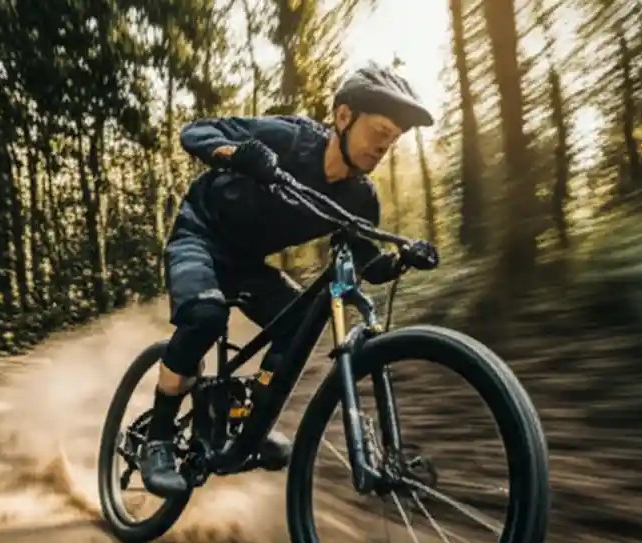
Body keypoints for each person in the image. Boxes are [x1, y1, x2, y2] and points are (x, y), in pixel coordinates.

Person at [138, 62, 439, 497]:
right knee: (205, 317)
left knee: (300, 325)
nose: (383, 147)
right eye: (379, 131)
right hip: (200, 233)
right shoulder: (290, 137)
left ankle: (246, 423)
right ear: (343, 117)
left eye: (392, 140)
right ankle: (159, 439)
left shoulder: (359, 197)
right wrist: (239, 154)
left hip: (247, 263)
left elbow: (367, 261)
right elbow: (196, 132)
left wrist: (399, 261)